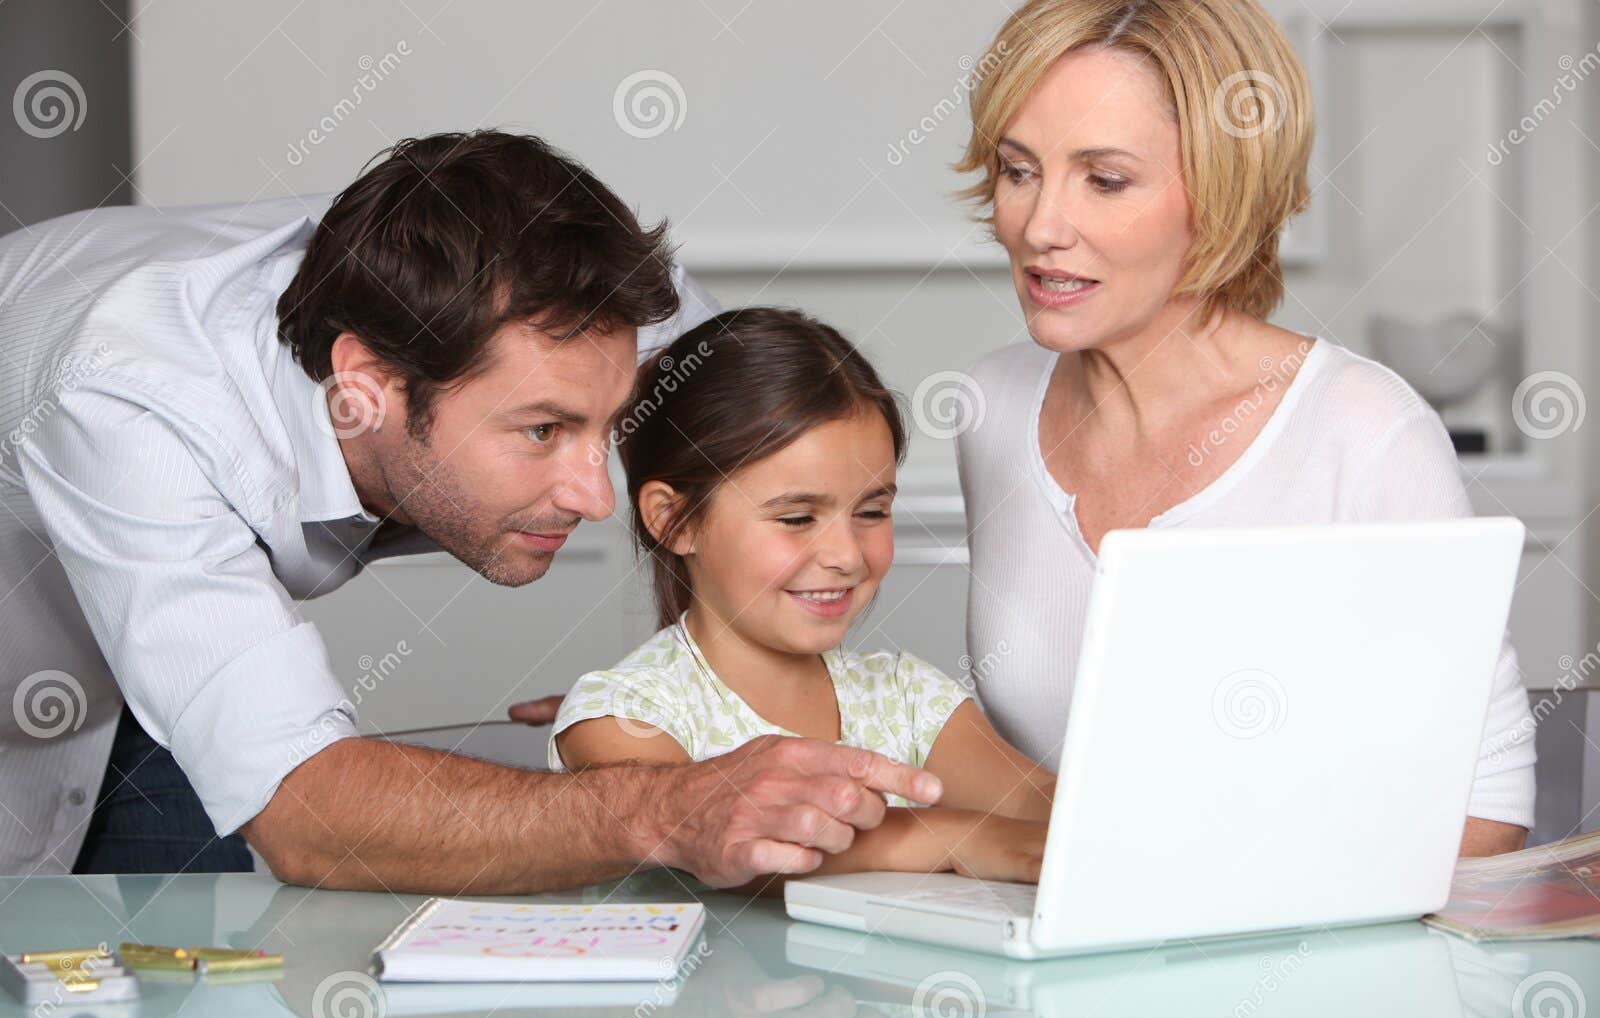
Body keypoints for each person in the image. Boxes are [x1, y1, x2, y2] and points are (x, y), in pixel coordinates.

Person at [0, 129, 940, 887]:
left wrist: (672, 690)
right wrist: (665, 803)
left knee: (185, 993)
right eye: (542, 431)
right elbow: (307, 810)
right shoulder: (133, 407)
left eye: (609, 425)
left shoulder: (591, 312)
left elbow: (744, 469)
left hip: (158, 632)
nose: (595, 495)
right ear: (367, 385)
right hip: (30, 668)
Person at [950, 0, 1533, 856]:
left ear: (1224, 194)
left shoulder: (1365, 432)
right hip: (1051, 934)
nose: (1040, 227)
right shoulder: (992, 407)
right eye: (1018, 170)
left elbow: (1486, 809)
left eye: (1104, 180)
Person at [548, 308, 1053, 890]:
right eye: (796, 517)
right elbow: (726, 842)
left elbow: (1041, 802)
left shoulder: (907, 698)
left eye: (872, 511)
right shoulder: (624, 717)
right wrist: (959, 837)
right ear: (674, 520)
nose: (846, 554)